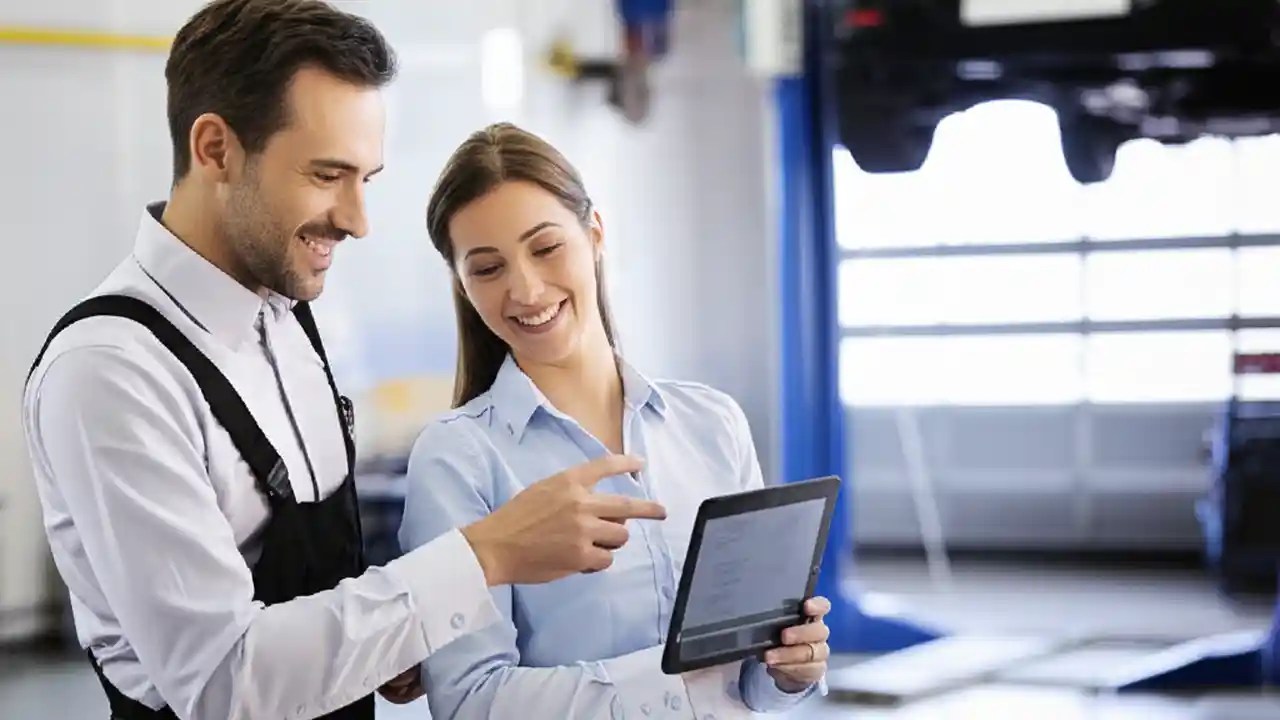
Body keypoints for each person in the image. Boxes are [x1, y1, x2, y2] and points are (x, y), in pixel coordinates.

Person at [19, 3, 666, 719]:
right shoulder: (112, 373)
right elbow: (222, 683)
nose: (357, 220)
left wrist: (402, 638)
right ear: (215, 149)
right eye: (328, 174)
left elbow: (321, 596)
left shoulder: (290, 314)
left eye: (367, 179)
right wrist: (485, 556)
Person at [398, 123, 832, 719]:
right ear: (463, 286)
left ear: (595, 234)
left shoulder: (712, 423)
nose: (526, 289)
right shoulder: (458, 458)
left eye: (545, 248)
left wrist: (787, 668)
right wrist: (675, 679)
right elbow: (468, 701)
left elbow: (751, 677)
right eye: (488, 268)